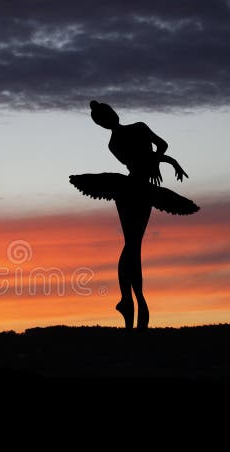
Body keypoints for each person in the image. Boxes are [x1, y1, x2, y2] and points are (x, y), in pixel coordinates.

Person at [69, 100, 198, 329]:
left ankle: (129, 300)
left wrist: (162, 163)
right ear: (102, 123)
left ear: (113, 113)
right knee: (132, 244)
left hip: (138, 188)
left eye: (108, 114)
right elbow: (143, 159)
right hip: (132, 188)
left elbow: (159, 147)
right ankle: (133, 299)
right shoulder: (117, 141)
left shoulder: (135, 129)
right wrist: (164, 162)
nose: (109, 119)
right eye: (103, 119)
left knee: (132, 244)